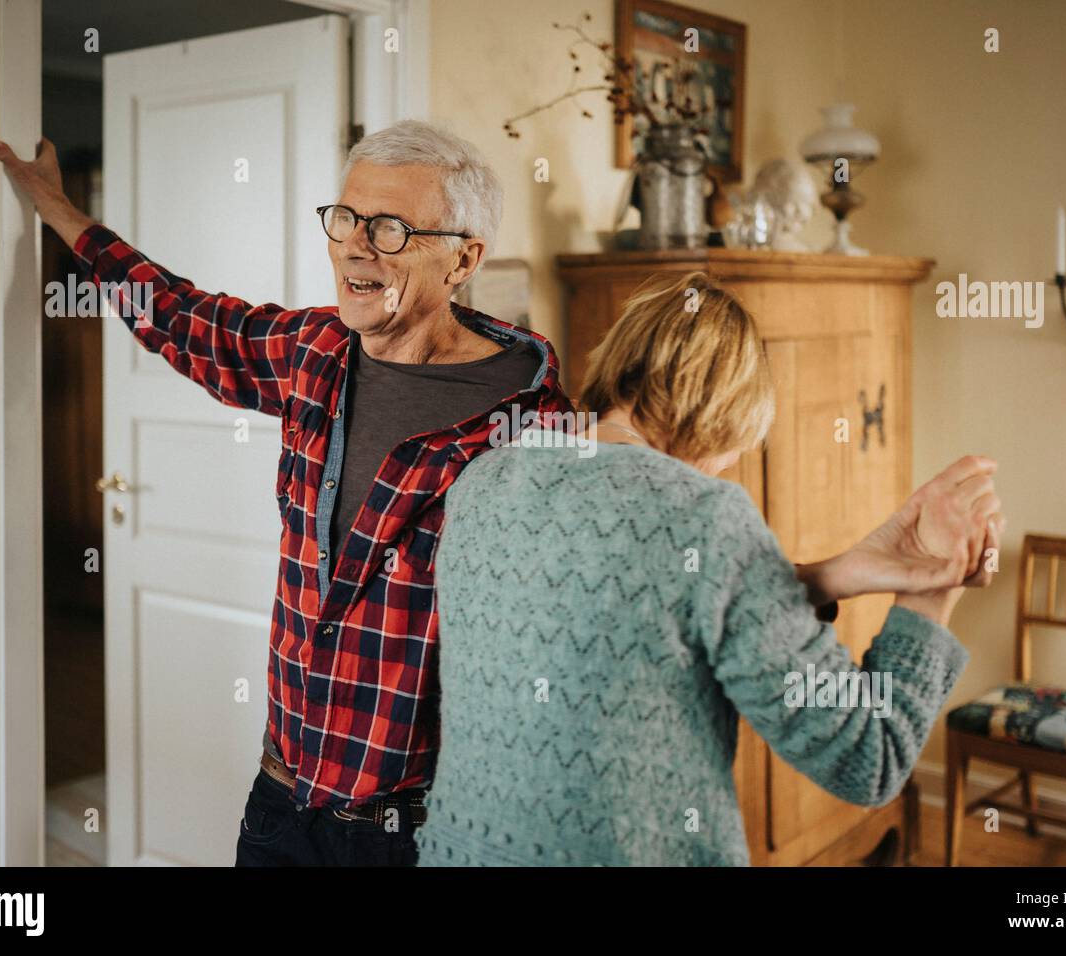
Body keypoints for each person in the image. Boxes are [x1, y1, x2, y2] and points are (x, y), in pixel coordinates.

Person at [0, 120, 572, 866]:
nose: (357, 245)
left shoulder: (536, 426)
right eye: (347, 218)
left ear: (465, 259)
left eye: (391, 228)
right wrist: (57, 210)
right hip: (281, 799)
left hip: (422, 828)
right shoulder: (314, 352)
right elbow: (177, 314)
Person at [417, 271, 1005, 866]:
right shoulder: (704, 513)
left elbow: (620, 607)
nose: (733, 462)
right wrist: (934, 585)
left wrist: (837, 574)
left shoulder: (484, 481)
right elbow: (869, 759)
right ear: (729, 409)